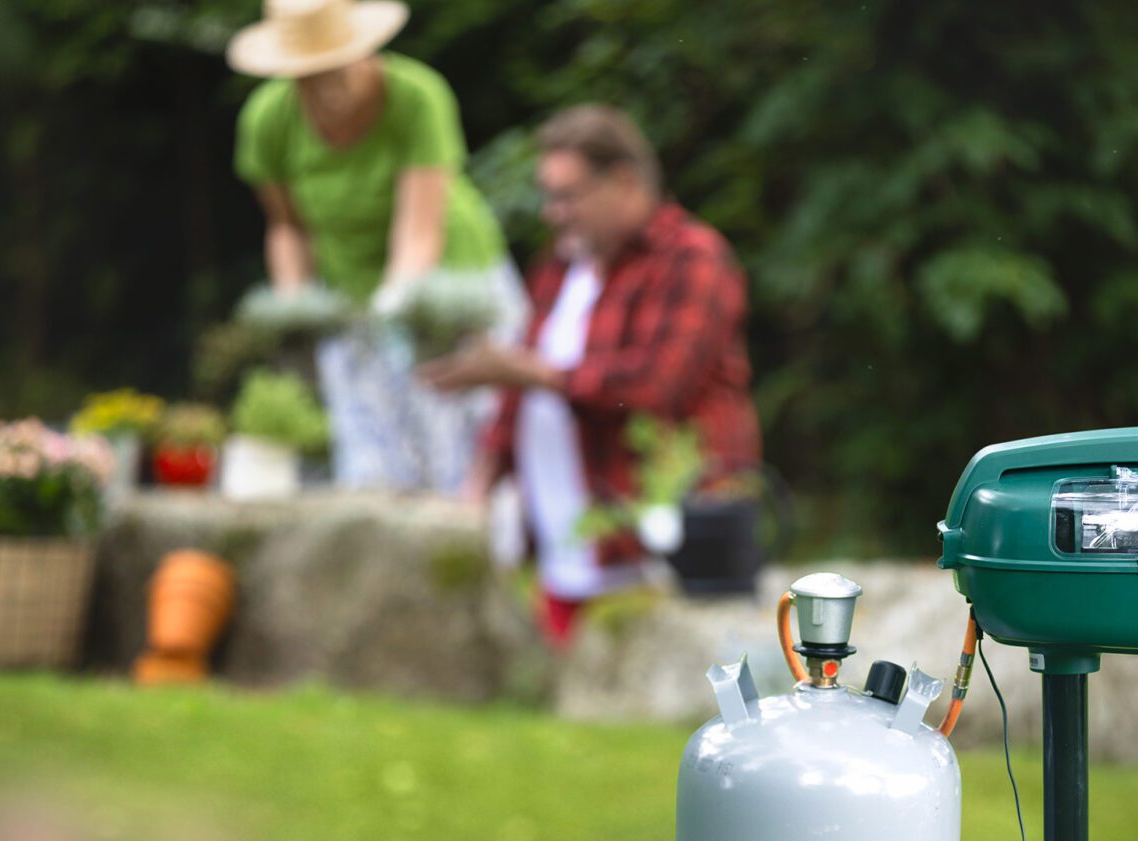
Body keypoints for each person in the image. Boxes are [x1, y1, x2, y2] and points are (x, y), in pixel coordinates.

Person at [420, 104, 762, 647]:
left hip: (658, 556)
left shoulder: (693, 258)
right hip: (563, 555)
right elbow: (520, 390)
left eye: (567, 195)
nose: (553, 213)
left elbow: (654, 387)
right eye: (548, 195)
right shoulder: (560, 266)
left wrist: (528, 372)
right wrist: (479, 486)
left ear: (624, 182)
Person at [228, 0, 522, 492]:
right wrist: (298, 307)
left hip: (449, 285)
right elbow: (287, 228)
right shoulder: (268, 120)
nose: (327, 87)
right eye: (310, 74)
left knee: (461, 440)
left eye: (337, 68)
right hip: (349, 295)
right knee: (371, 454)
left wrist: (397, 301)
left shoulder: (415, 96)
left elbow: (418, 227)